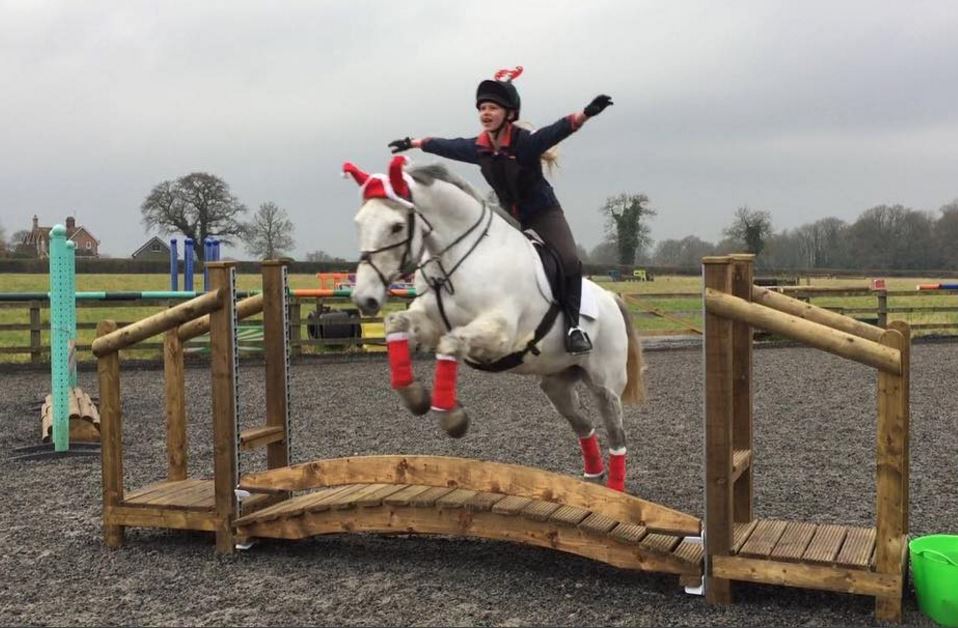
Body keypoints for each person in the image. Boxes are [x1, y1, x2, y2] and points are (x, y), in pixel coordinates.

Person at [388, 66, 613, 355]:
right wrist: (414, 143)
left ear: (509, 114)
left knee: (569, 260)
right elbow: (448, 146)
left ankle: (573, 327)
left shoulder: (526, 144)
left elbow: (556, 131)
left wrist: (586, 113)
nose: (485, 113)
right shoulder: (479, 148)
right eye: (482, 108)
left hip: (542, 214)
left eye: (492, 107)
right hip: (507, 215)